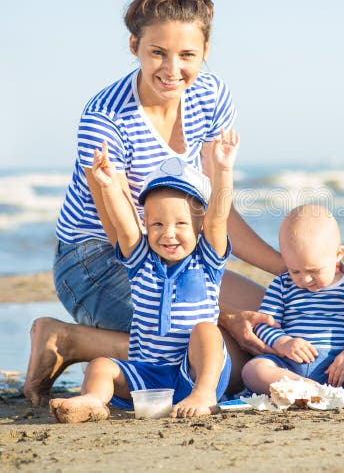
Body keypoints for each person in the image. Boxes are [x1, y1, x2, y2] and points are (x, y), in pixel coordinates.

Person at [25, 0, 285, 407]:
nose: (171, 69)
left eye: (187, 55)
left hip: (180, 256)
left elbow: (215, 214)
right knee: (220, 356)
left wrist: (291, 272)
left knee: (276, 322)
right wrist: (222, 315)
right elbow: (124, 237)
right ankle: (68, 341)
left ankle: (82, 341)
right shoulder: (105, 118)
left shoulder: (211, 96)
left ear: (205, 51)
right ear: (135, 46)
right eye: (157, 53)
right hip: (98, 261)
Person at [51, 134, 238, 423]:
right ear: (147, 225)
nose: (169, 233)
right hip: (147, 375)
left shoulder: (207, 261)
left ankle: (204, 396)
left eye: (181, 223)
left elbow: (218, 219)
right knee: (100, 366)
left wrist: (223, 170)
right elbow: (125, 227)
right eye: (158, 224)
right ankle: (93, 400)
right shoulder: (141, 262)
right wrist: (110, 184)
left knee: (206, 331)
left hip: (193, 372)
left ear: (200, 225)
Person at [241, 204, 344, 401]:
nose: (305, 280)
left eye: (314, 271)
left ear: (338, 255)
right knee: (253, 369)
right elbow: (264, 324)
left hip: (342, 367)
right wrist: (284, 342)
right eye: (295, 270)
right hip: (291, 368)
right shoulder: (281, 284)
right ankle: (306, 389)